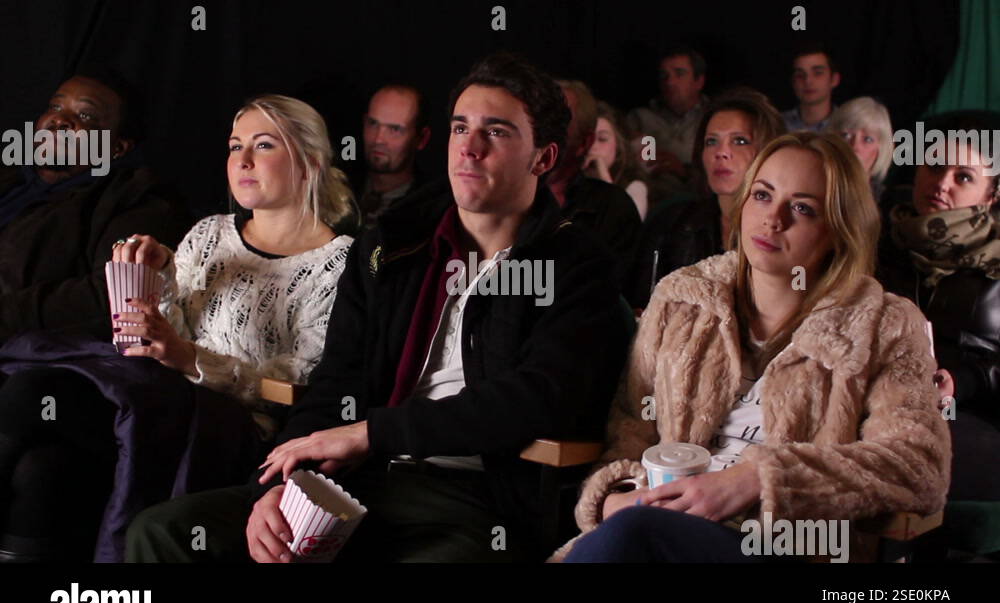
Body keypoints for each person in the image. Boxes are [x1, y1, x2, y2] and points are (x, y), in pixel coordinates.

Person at [124, 52, 630, 564]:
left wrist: (371, 434)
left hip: (473, 497)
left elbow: (537, 398)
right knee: (162, 533)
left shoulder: (575, 265)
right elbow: (335, 383)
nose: (470, 149)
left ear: (542, 158)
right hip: (352, 484)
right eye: (460, 128)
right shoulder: (392, 246)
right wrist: (279, 489)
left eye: (495, 133)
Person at [556, 132, 950, 563]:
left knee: (633, 537)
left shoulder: (883, 323)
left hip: (783, 546)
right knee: (631, 534)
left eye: (802, 208)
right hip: (656, 529)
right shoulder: (682, 298)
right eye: (762, 195)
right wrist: (617, 497)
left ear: (839, 230)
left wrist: (758, 480)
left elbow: (918, 465)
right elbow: (632, 428)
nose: (773, 219)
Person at [0, 94, 357, 562]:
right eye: (234, 146)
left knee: (31, 393)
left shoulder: (341, 263)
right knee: (42, 470)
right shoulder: (210, 233)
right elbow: (158, 339)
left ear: (309, 162)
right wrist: (155, 280)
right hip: (151, 399)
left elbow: (297, 393)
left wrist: (189, 358)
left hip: (232, 429)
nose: (243, 160)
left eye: (264, 146)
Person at [0, 70, 191, 345]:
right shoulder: (10, 178)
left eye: (85, 116)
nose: (59, 120)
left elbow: (110, 293)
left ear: (117, 147)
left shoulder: (136, 199)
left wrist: (8, 315)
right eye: (55, 106)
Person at [878, 112, 1000, 502]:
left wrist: (962, 382)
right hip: (880, 402)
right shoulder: (877, 245)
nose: (941, 183)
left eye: (963, 177)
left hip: (974, 415)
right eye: (934, 166)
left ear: (991, 195)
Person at [627, 87, 785, 308]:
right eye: (711, 142)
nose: (721, 152)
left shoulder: (789, 229)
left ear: (769, 151)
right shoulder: (669, 223)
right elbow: (639, 306)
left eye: (739, 141)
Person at [548, 80, 642, 289]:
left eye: (559, 118)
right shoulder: (504, 195)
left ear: (584, 143)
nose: (543, 125)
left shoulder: (614, 206)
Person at [625, 46, 708, 183]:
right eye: (664, 75)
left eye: (679, 74)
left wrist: (684, 170)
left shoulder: (715, 118)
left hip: (700, 196)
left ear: (698, 81)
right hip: (653, 195)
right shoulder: (640, 118)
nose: (669, 82)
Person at [355, 85, 431, 229]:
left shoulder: (431, 208)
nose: (378, 139)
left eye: (395, 129)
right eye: (373, 124)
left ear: (421, 138)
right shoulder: (339, 186)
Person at [584, 101, 653, 220]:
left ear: (618, 147)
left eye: (602, 139)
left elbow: (624, 228)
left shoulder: (634, 186)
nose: (592, 146)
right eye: (587, 138)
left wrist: (604, 182)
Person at [826, 97, 893, 201]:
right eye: (845, 135)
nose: (854, 146)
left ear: (881, 150)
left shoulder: (887, 204)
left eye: (867, 139)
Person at [782, 44, 840, 132]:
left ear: (834, 79)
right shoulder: (776, 125)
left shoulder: (848, 125)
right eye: (800, 75)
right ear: (793, 81)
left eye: (818, 73)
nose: (808, 81)